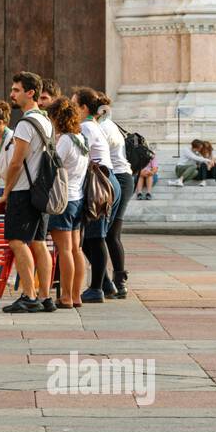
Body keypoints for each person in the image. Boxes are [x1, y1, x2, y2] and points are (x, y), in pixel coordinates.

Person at [0, 71, 55, 314]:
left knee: (17, 241)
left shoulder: (24, 123)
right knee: (39, 242)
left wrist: (6, 191)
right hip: (40, 191)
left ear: (30, 92)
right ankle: (45, 296)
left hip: (23, 190)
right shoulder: (45, 121)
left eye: (16, 90)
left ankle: (29, 294)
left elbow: (15, 162)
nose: (12, 94)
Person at [73, 86, 119, 304]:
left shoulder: (85, 128)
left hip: (99, 183)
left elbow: (79, 155)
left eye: (74, 105)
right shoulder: (93, 125)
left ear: (83, 107)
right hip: (106, 181)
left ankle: (96, 288)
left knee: (95, 237)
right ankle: (106, 284)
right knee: (87, 239)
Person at [47, 98, 88, 308]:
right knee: (75, 249)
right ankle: (76, 295)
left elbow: (53, 164)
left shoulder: (64, 140)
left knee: (64, 250)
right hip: (77, 197)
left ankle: (65, 297)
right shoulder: (80, 139)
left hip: (63, 198)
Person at [97, 92, 134, 299]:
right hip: (119, 178)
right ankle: (111, 282)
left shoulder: (102, 127)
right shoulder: (106, 124)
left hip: (117, 178)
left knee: (108, 234)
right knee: (108, 234)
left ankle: (116, 282)